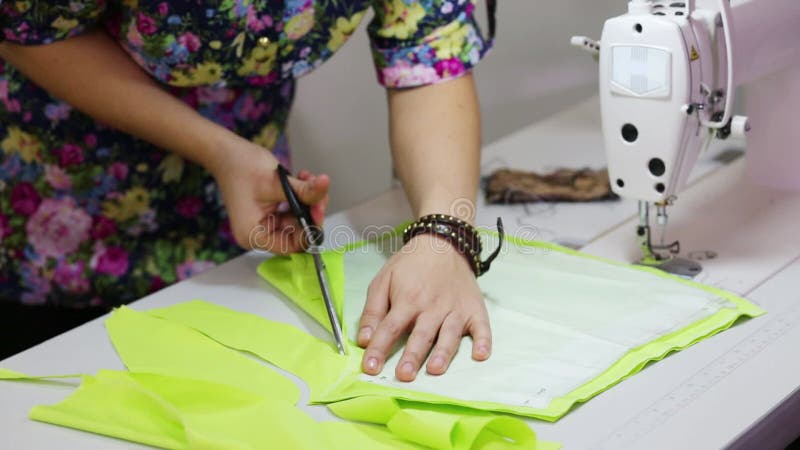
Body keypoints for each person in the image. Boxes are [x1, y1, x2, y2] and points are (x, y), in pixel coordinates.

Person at [0, 0, 495, 381]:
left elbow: (428, 51)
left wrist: (444, 234)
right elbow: (28, 29)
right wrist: (219, 151)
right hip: (56, 214)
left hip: (245, 208)